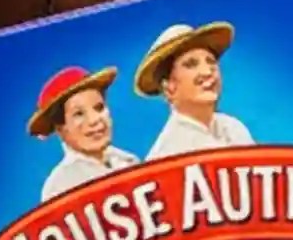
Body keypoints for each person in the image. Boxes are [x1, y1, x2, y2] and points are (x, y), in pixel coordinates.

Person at [136, 22, 254, 160]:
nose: (207, 71)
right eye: (191, 65)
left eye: (211, 61)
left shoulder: (233, 128)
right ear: (169, 88)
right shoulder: (167, 156)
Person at [30, 66, 140, 202]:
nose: (94, 120)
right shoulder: (60, 187)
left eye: (99, 108)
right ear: (61, 129)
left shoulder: (129, 162)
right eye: (79, 114)